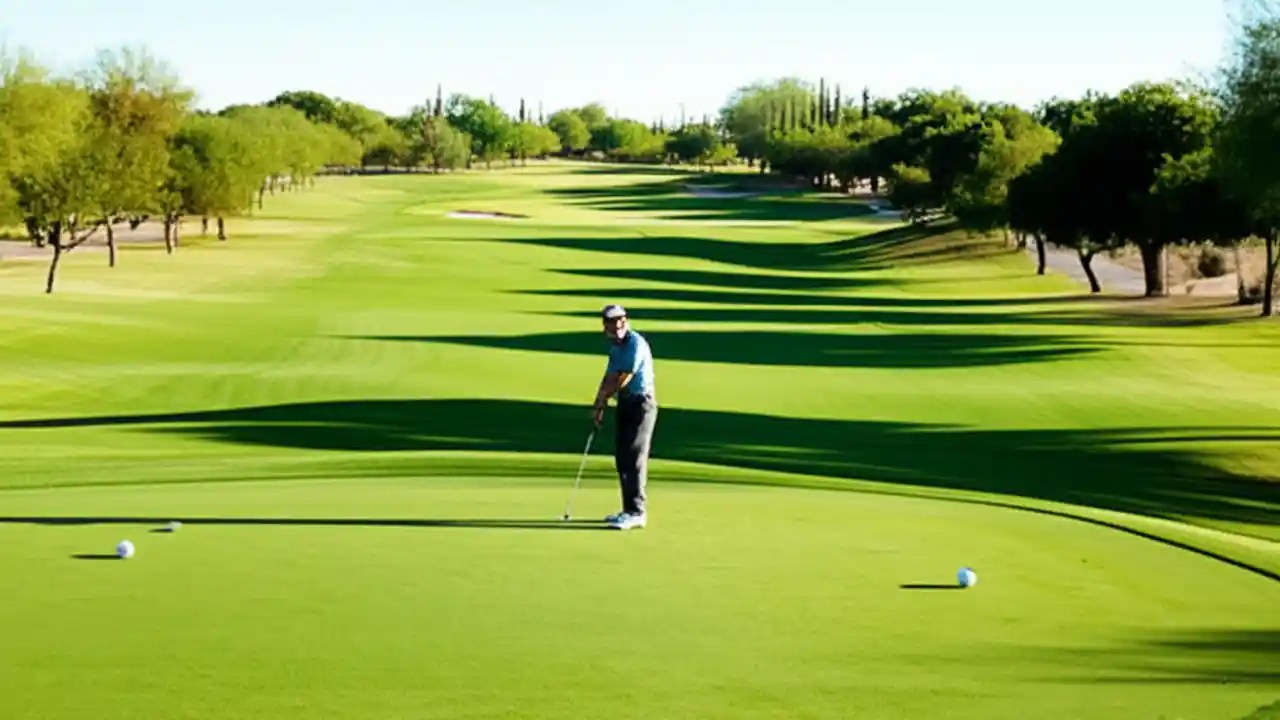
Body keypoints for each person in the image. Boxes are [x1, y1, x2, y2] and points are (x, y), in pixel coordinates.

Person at [592, 304, 657, 530]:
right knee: (622, 458)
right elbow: (609, 375)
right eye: (612, 321)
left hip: (641, 404)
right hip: (626, 403)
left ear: (626, 321)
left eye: (621, 319)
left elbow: (622, 377)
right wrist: (599, 402)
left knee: (634, 457)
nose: (617, 324)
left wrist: (605, 398)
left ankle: (637, 511)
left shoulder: (635, 344)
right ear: (605, 325)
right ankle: (627, 508)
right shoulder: (616, 347)